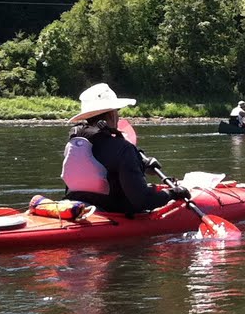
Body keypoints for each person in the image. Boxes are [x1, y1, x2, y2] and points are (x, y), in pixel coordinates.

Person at [63, 83, 188, 215]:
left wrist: (141, 164)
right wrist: (172, 193)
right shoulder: (123, 149)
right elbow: (143, 201)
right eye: (117, 112)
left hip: (77, 206)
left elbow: (100, 165)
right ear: (112, 114)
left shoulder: (75, 142)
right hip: (113, 212)